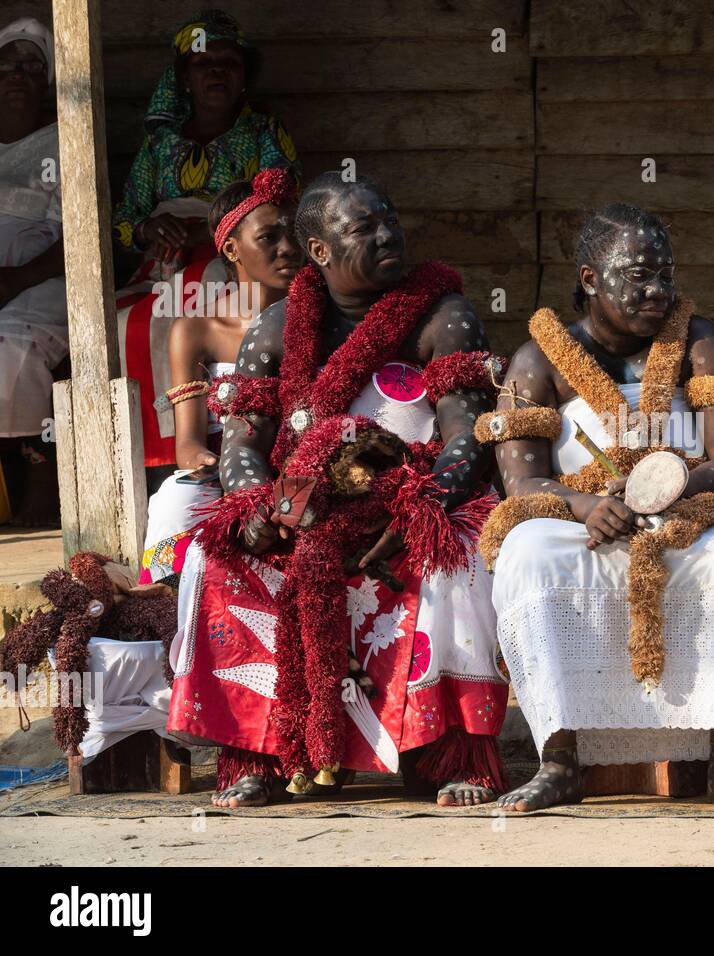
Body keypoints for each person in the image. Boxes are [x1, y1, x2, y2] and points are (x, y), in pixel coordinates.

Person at [166, 173, 509, 808]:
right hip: (303, 511)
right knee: (220, 558)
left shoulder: (445, 315)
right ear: (319, 251)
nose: (387, 237)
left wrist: (420, 505)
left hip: (415, 499)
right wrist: (259, 507)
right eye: (364, 229)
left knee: (450, 558)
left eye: (391, 223)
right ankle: (260, 759)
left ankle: (442, 754)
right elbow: (242, 441)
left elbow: (472, 438)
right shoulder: (276, 326)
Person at [481, 203, 714, 812]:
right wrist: (587, 503)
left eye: (665, 275)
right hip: (586, 524)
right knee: (528, 552)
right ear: (590, 279)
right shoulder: (539, 359)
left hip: (688, 520)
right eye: (639, 276)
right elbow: (524, 482)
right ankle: (559, 758)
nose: (657, 290)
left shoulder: (700, 342)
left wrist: (668, 490)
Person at [112, 9, 300, 471]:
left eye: (228, 63)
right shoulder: (159, 145)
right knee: (121, 325)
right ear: (184, 79)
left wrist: (211, 229)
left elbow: (281, 201)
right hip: (161, 260)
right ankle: (144, 457)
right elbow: (124, 219)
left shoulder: (262, 133)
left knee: (175, 315)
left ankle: (199, 445)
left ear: (243, 77)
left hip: (232, 256)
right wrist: (149, 229)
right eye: (203, 64)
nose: (216, 71)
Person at [138, 168, 303, 585]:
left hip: (299, 468)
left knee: (299, 524)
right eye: (268, 238)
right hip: (218, 475)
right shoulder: (197, 329)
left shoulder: (319, 323)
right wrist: (218, 468)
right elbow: (189, 443)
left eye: (293, 235)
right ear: (232, 248)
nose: (288, 249)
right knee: (175, 502)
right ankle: (167, 612)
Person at [0, 18, 65, 526]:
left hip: (42, 279)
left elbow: (78, 234)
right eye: (6, 64)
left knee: (11, 345)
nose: (16, 74)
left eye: (30, 64)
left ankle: (39, 490)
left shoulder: (63, 142)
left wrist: (14, 280)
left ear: (47, 78)